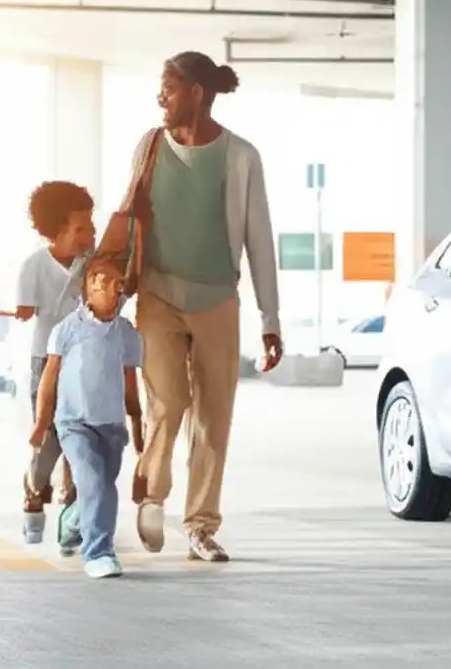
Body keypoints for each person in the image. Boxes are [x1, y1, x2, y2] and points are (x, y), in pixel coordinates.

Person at [129, 51, 281, 562]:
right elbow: (129, 213)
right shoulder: (150, 146)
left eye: (169, 88)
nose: (161, 96)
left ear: (195, 93)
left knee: (214, 418)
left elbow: (259, 239)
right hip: (157, 296)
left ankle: (200, 525)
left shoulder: (241, 155)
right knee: (167, 403)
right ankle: (152, 497)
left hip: (217, 299)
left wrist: (270, 318)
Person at [31, 255, 142, 579]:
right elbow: (48, 379)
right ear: (88, 288)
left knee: (101, 487)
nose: (113, 289)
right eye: (104, 283)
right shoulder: (67, 329)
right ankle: (98, 553)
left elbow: (131, 384)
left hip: (112, 426)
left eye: (118, 284)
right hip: (74, 424)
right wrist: (41, 422)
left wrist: (138, 427)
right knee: (93, 482)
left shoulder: (126, 333)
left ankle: (71, 522)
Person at [17, 181, 96, 548]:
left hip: (85, 359)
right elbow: (25, 308)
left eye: (91, 226)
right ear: (56, 232)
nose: (90, 234)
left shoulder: (92, 262)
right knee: (48, 433)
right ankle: (34, 489)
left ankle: (72, 506)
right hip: (47, 360)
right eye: (81, 228)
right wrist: (25, 309)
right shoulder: (34, 265)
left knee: (81, 434)